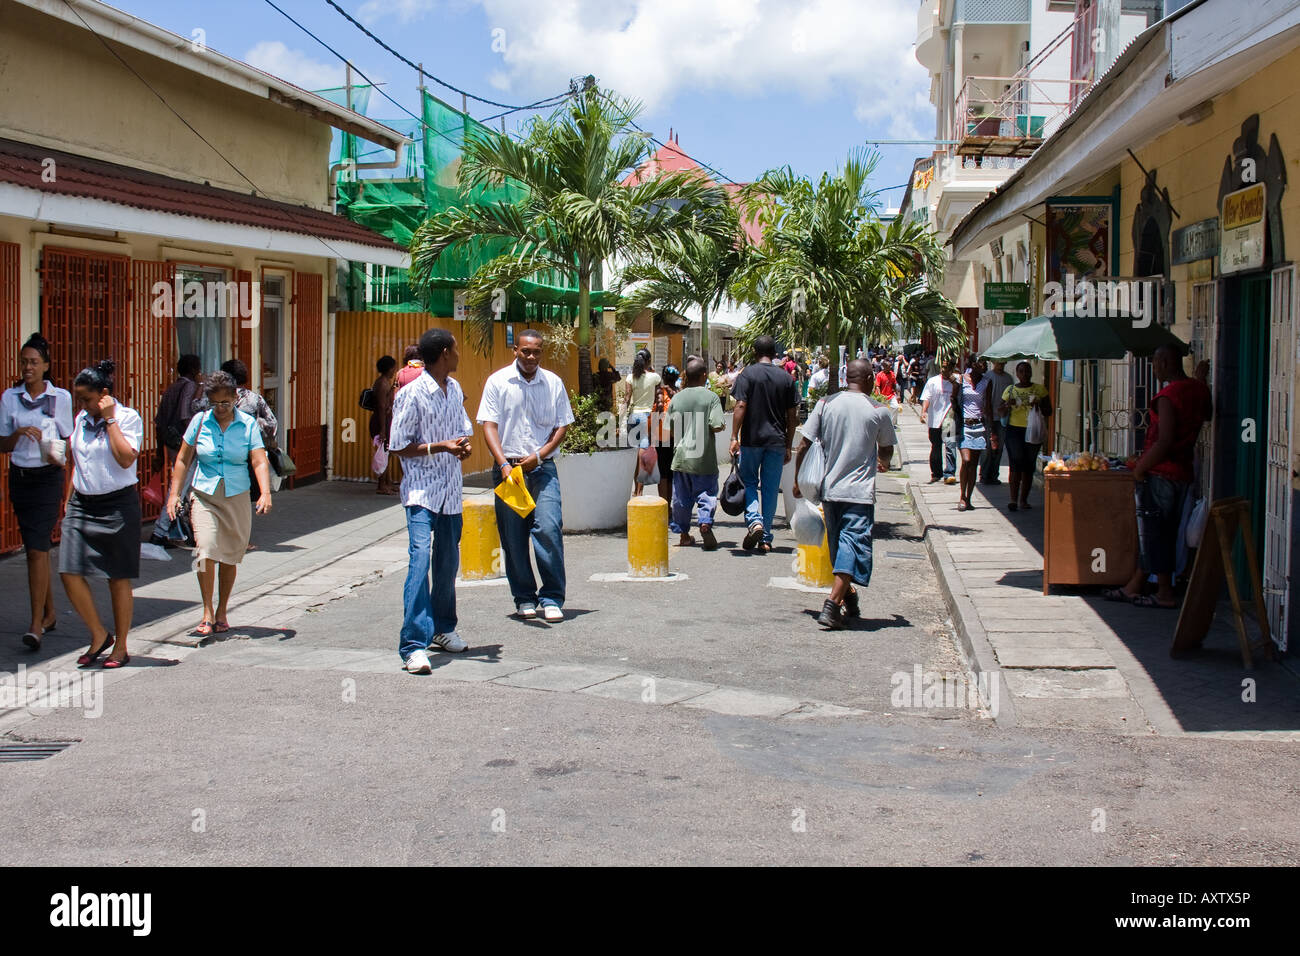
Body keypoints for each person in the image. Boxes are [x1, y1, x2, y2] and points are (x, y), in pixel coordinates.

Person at [388, 328, 474, 673]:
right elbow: (397, 445)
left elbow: (462, 429)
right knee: (420, 560)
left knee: (447, 564)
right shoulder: (411, 394)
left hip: (451, 492)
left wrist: (462, 446)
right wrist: (440, 447)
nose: (458, 354)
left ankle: (443, 629)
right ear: (442, 353)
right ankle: (412, 644)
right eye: (454, 349)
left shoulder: (454, 390)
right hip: (421, 492)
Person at [1104, 346, 1212, 609]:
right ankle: (1134, 586)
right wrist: (1200, 380)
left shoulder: (1167, 396)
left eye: (1154, 363)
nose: (1153, 368)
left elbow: (1164, 441)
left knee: (1156, 534)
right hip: (1183, 471)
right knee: (1160, 532)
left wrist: (1140, 469)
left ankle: (1164, 593)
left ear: (1165, 363)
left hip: (1162, 471)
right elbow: (1206, 414)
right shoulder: (1197, 390)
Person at [478, 330, 574, 622]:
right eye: (525, 352)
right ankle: (524, 597)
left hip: (542, 469)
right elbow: (489, 425)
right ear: (515, 351)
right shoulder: (497, 382)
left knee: (548, 528)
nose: (531, 357)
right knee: (514, 538)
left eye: (536, 352)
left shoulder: (553, 383)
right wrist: (504, 464)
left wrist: (541, 455)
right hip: (510, 472)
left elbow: (561, 426)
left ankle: (552, 596)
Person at [167, 371, 272, 636]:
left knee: (229, 556)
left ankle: (222, 610)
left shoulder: (247, 424)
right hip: (204, 495)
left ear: (236, 398)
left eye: (226, 403)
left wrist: (265, 492)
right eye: (215, 403)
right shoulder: (200, 422)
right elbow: (182, 459)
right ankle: (206, 611)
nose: (221, 409)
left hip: (237, 495)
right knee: (206, 550)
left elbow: (259, 460)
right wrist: (173, 494)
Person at [794, 359, 896, 630]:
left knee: (839, 548)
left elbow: (804, 444)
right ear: (871, 379)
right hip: (858, 492)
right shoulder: (878, 410)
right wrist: (883, 461)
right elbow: (886, 449)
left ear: (846, 377)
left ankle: (849, 599)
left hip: (830, 491)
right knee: (850, 547)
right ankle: (831, 606)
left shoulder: (825, 404)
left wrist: (797, 480)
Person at [62, 360, 141, 670]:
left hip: (118, 506)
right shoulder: (82, 418)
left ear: (104, 394)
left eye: (86, 399)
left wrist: (110, 420)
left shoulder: (128, 417)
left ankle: (120, 646)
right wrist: (69, 505)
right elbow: (78, 464)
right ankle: (98, 634)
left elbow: (125, 459)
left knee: (117, 578)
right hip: (82, 504)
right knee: (69, 570)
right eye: (79, 399)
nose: (81, 405)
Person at [0, 333, 74, 650]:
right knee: (35, 547)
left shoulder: (61, 398)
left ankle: (35, 624)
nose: (28, 367)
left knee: (36, 549)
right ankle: (51, 613)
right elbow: (2, 444)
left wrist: (69, 485)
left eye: (34, 362)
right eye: (24, 362)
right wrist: (18, 433)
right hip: (20, 477)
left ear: (46, 365)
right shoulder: (9, 397)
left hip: (48, 478)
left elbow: (68, 441)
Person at [729, 335, 798, 553]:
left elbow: (740, 405)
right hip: (776, 442)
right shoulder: (786, 378)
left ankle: (754, 521)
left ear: (754, 352)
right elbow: (792, 416)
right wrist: (788, 445)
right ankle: (765, 538)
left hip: (751, 440)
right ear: (775, 354)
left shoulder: (747, 374)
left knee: (749, 481)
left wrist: (734, 436)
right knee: (769, 489)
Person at [667, 357, 724, 550]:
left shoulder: (676, 398)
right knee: (706, 492)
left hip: (682, 457)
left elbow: (670, 428)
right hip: (704, 458)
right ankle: (705, 522)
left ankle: (684, 535)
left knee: (681, 498)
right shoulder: (711, 398)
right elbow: (717, 425)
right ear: (704, 376)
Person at [149, 354, 202, 547]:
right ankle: (160, 531)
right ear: (195, 370)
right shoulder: (189, 387)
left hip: (170, 444)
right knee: (179, 488)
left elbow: (158, 421)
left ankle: (185, 528)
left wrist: (158, 451)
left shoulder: (171, 388)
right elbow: (185, 416)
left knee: (186, 488)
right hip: (184, 445)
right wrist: (195, 442)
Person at [999, 361, 1053, 512]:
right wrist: (1007, 405)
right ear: (1017, 374)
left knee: (1029, 466)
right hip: (1014, 431)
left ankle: (1024, 500)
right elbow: (1000, 411)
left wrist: (1040, 403)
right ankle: (1013, 500)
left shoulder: (1039, 389)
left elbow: (1049, 411)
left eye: (1027, 371)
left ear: (1031, 373)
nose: (1024, 374)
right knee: (1015, 464)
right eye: (1021, 371)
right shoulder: (1010, 390)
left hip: (1033, 431)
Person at [622, 349, 661, 496]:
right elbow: (658, 395)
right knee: (642, 454)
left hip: (633, 416)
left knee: (635, 453)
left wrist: (620, 418)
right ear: (649, 361)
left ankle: (635, 489)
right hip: (647, 416)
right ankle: (640, 491)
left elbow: (626, 398)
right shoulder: (654, 377)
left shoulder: (630, 378)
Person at [954, 359, 991, 512]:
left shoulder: (987, 382)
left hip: (979, 425)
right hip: (963, 425)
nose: (985, 366)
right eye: (982, 363)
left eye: (986, 364)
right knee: (966, 460)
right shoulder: (961, 379)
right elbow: (953, 399)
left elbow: (987, 405)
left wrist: (992, 430)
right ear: (973, 365)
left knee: (974, 465)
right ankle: (962, 496)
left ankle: (969, 498)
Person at [920, 359, 957, 485]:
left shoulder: (956, 382)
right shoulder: (933, 381)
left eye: (947, 367)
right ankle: (936, 473)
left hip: (949, 419)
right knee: (936, 447)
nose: (943, 370)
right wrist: (923, 412)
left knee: (950, 446)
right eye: (942, 367)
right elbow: (926, 398)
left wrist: (955, 382)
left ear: (952, 369)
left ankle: (950, 473)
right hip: (934, 420)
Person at [980, 360, 1014, 485]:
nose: (1000, 365)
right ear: (994, 362)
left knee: (998, 448)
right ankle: (984, 474)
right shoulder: (988, 377)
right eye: (998, 363)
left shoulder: (1008, 379)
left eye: (1003, 363)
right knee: (988, 447)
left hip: (1002, 417)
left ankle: (994, 475)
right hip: (988, 417)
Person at [369, 355, 398, 495]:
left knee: (388, 452)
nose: (395, 370)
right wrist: (382, 429)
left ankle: (388, 482)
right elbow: (381, 406)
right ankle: (381, 485)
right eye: (393, 367)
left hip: (386, 420)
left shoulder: (386, 382)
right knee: (383, 452)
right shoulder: (382, 383)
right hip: (381, 421)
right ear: (389, 368)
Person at [654, 364, 679, 502]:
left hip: (661, 436)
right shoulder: (680, 393)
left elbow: (657, 410)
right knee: (672, 473)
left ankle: (664, 506)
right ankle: (671, 505)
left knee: (662, 473)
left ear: (663, 377)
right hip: (676, 436)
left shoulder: (660, 391)